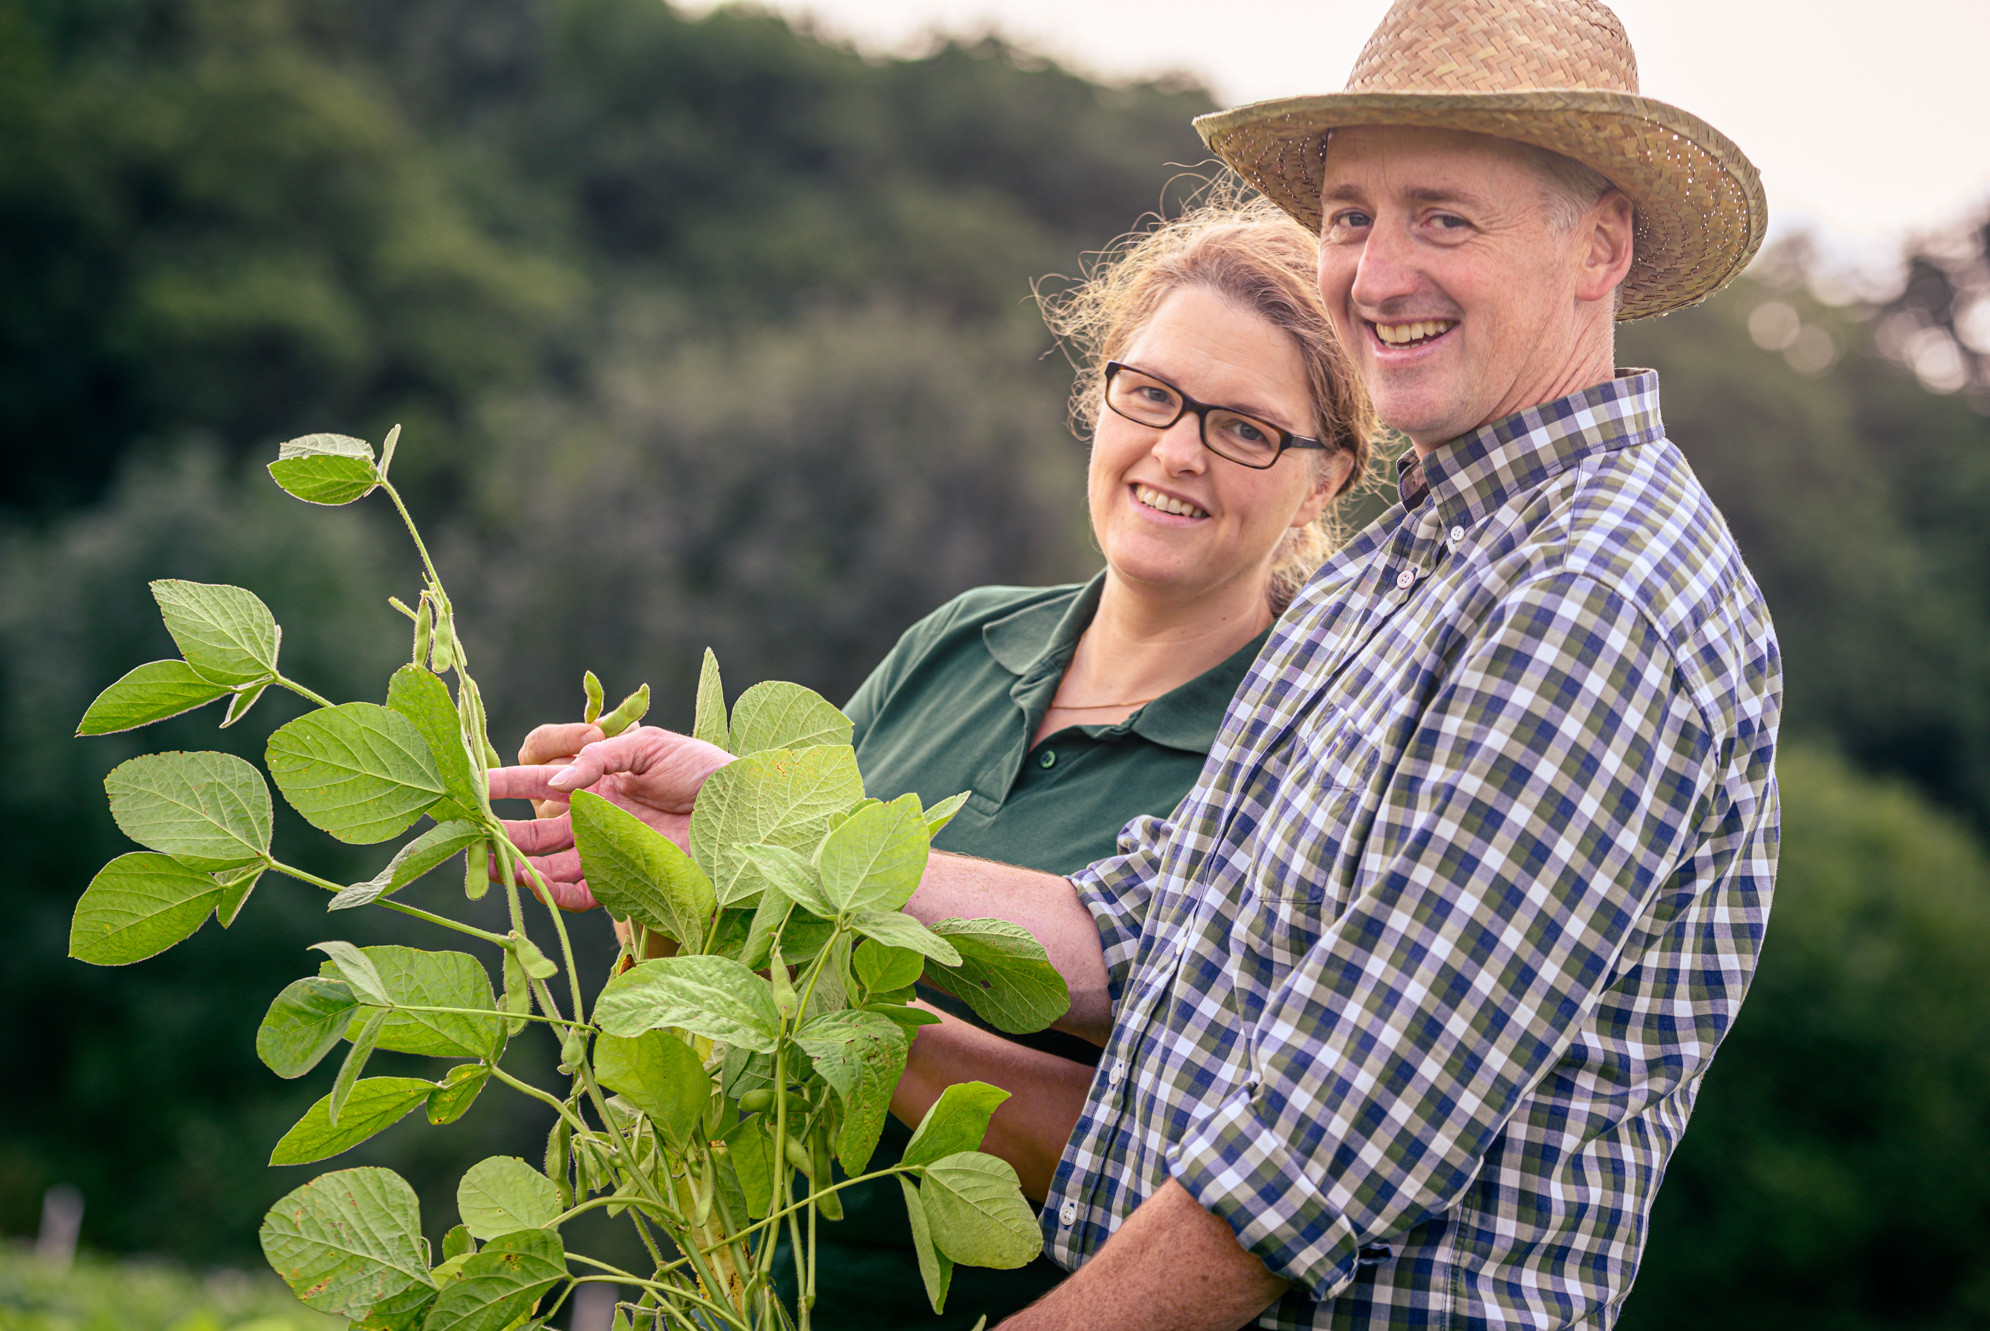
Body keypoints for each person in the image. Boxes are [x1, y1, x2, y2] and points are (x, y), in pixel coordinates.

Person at [495, 0, 1784, 1324]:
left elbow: (1319, 1149)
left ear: (1603, 243)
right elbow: (1157, 923)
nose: (1380, 272)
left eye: (1444, 217)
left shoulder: (1587, 590)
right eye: (1352, 214)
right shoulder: (1399, 573)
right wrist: (741, 825)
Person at [500, 196, 1376, 1327]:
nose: (1175, 451)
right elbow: (730, 1040)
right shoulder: (959, 642)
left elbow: (1207, 1182)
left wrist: (837, 993)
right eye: (1149, 394)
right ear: (1098, 394)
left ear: (1324, 476)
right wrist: (667, 875)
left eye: (1243, 427)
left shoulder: (1315, 742)